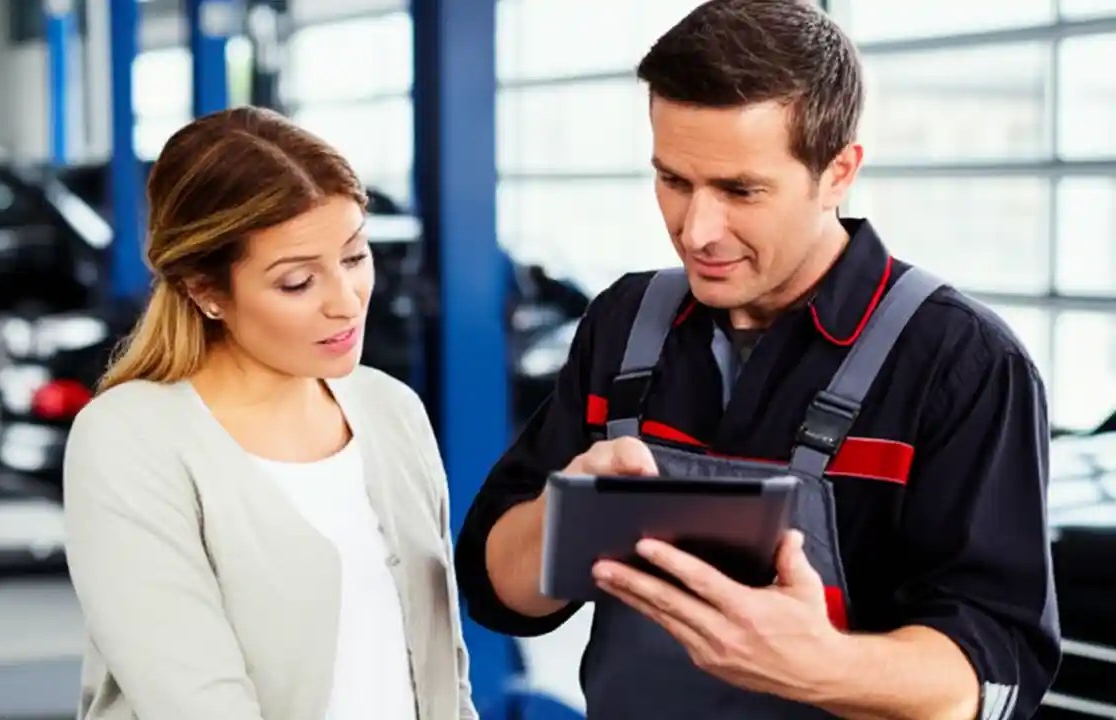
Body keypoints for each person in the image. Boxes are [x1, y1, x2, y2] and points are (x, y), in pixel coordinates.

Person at [454, 1, 1061, 719]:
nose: (697, 231)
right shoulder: (623, 324)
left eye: (741, 190)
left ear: (838, 173)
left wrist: (823, 666)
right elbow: (498, 592)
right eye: (674, 181)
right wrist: (564, 515)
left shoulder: (960, 363)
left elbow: (999, 672)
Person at [61, 107, 476, 720]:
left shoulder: (392, 411)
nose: (345, 301)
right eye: (297, 282)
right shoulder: (130, 439)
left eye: (355, 257)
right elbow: (193, 703)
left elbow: (447, 678)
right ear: (206, 291)